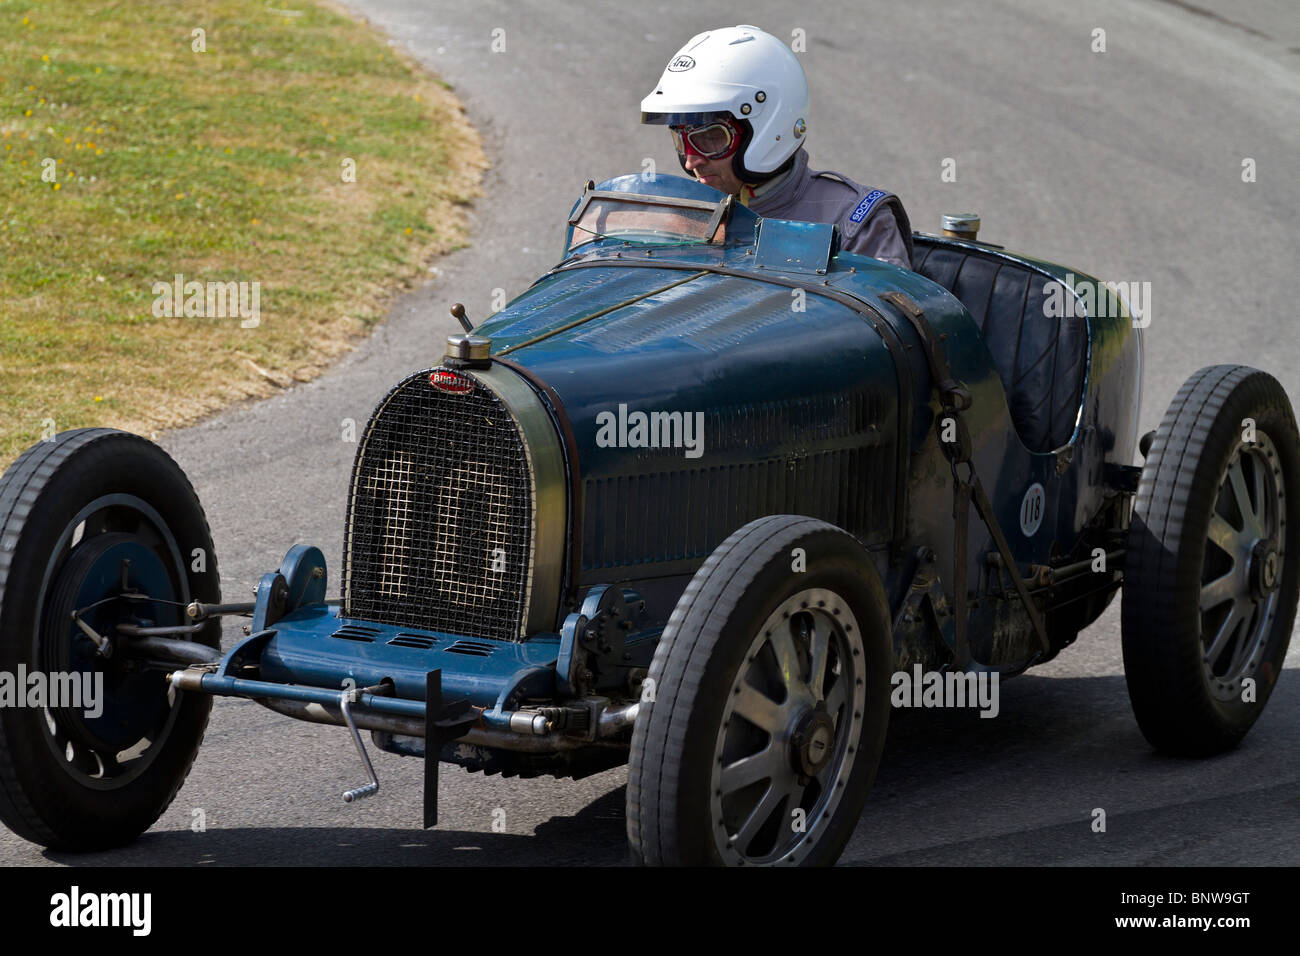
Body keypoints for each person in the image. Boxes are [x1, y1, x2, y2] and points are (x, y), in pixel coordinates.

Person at [641, 24, 913, 270]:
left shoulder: (854, 220)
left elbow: (880, 318)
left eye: (710, 138)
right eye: (681, 139)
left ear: (769, 128)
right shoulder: (686, 217)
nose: (691, 162)